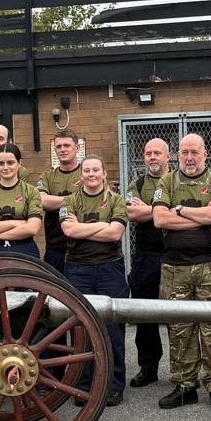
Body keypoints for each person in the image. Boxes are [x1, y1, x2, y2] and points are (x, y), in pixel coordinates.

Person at [152, 133, 211, 412]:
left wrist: (178, 210)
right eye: (184, 152)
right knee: (180, 328)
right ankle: (185, 386)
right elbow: (159, 218)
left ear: (205, 154)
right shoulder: (167, 181)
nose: (189, 157)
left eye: (194, 152)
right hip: (175, 267)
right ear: (177, 155)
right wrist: (199, 217)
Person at [58, 155, 129, 407]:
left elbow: (115, 234)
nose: (91, 174)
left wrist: (83, 228)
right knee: (81, 329)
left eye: (95, 170)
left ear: (104, 173)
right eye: (87, 170)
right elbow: (69, 230)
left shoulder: (117, 200)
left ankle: (113, 385)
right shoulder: (69, 201)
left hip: (110, 269)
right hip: (78, 270)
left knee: (113, 329)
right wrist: (102, 225)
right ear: (82, 174)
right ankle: (85, 385)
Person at [124, 137, 171, 388]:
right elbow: (131, 213)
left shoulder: (177, 180)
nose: (152, 157)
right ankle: (148, 367)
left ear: (168, 156)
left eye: (157, 153)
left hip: (175, 255)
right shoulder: (138, 183)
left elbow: (182, 209)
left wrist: (149, 209)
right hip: (146, 257)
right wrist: (165, 209)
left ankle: (182, 370)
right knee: (145, 315)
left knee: (179, 315)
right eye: (148, 153)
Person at [36, 130, 83, 272]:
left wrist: (55, 201)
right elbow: (41, 201)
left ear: (77, 148)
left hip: (82, 247)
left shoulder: (86, 173)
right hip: (55, 247)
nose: (62, 149)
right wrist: (74, 199)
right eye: (58, 146)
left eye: (67, 145)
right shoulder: (47, 176)